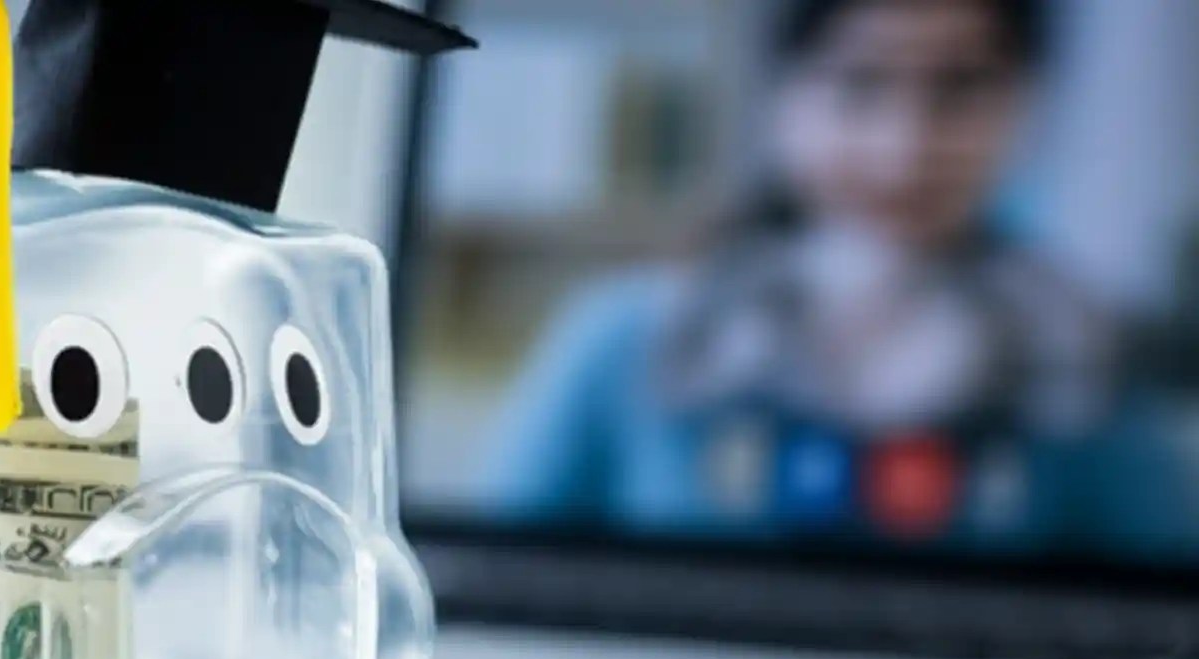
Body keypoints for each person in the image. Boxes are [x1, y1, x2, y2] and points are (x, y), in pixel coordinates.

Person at [481, 0, 1182, 555]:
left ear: (1025, 103)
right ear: (782, 95)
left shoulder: (1083, 360)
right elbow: (493, 592)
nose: (904, 149)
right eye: (859, 82)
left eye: (960, 87)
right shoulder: (624, 340)